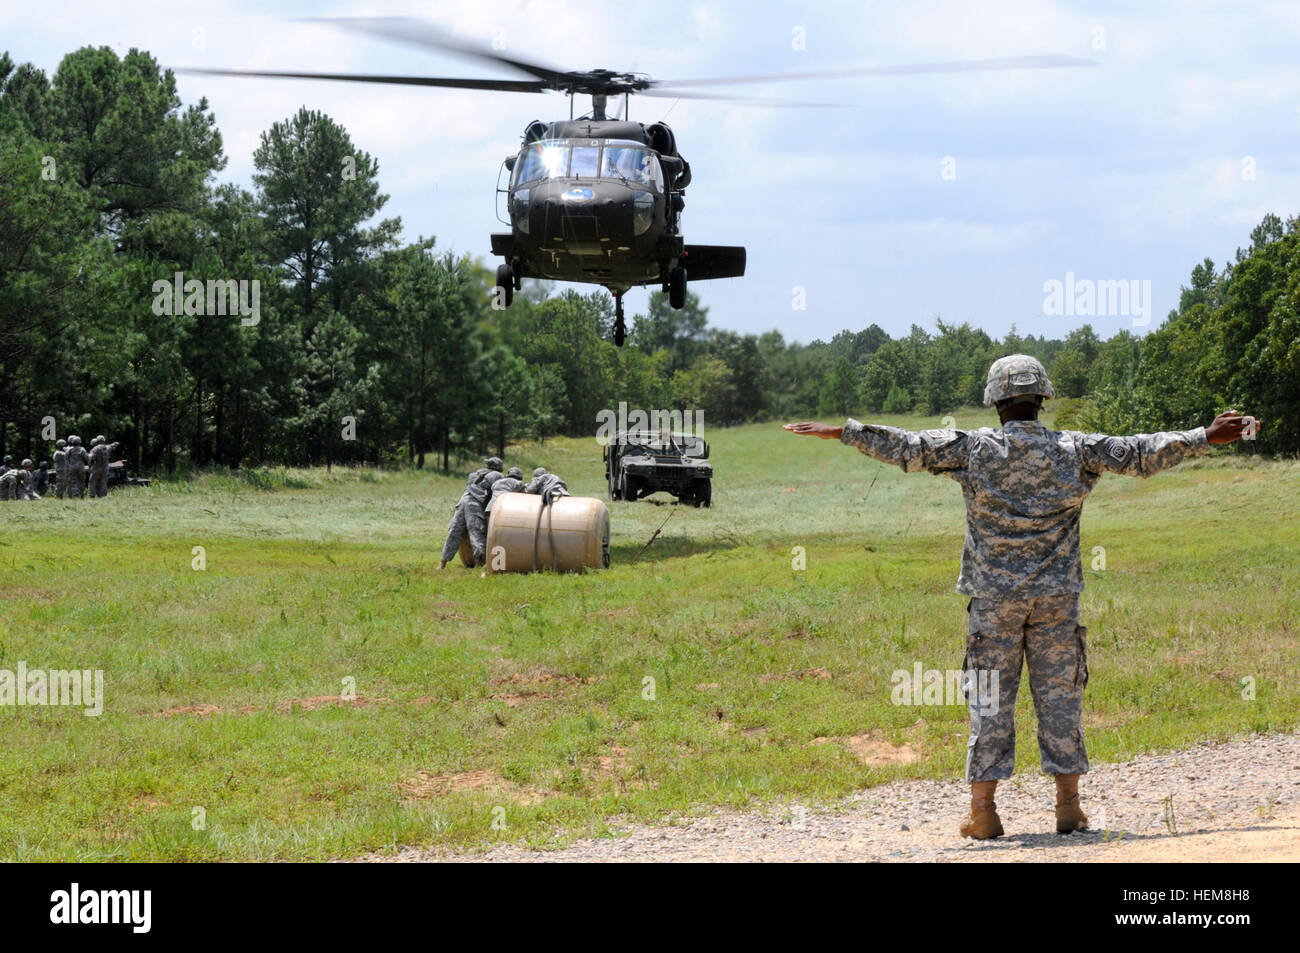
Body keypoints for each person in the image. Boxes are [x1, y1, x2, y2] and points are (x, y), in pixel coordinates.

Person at [784, 354, 1254, 840]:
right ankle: (1068, 807)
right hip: (1056, 599)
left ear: (996, 402)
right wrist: (1204, 436)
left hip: (994, 602)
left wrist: (843, 431)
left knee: (989, 700)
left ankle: (984, 813)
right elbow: (1138, 453)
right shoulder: (1076, 448)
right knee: (1060, 698)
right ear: (1043, 399)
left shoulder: (973, 450)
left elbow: (909, 445)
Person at [439, 457, 505, 569]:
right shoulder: (496, 475)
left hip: (462, 501)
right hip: (474, 504)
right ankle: (480, 563)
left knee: (454, 531)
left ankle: (442, 563)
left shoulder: (476, 473)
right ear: (498, 467)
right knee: (477, 532)